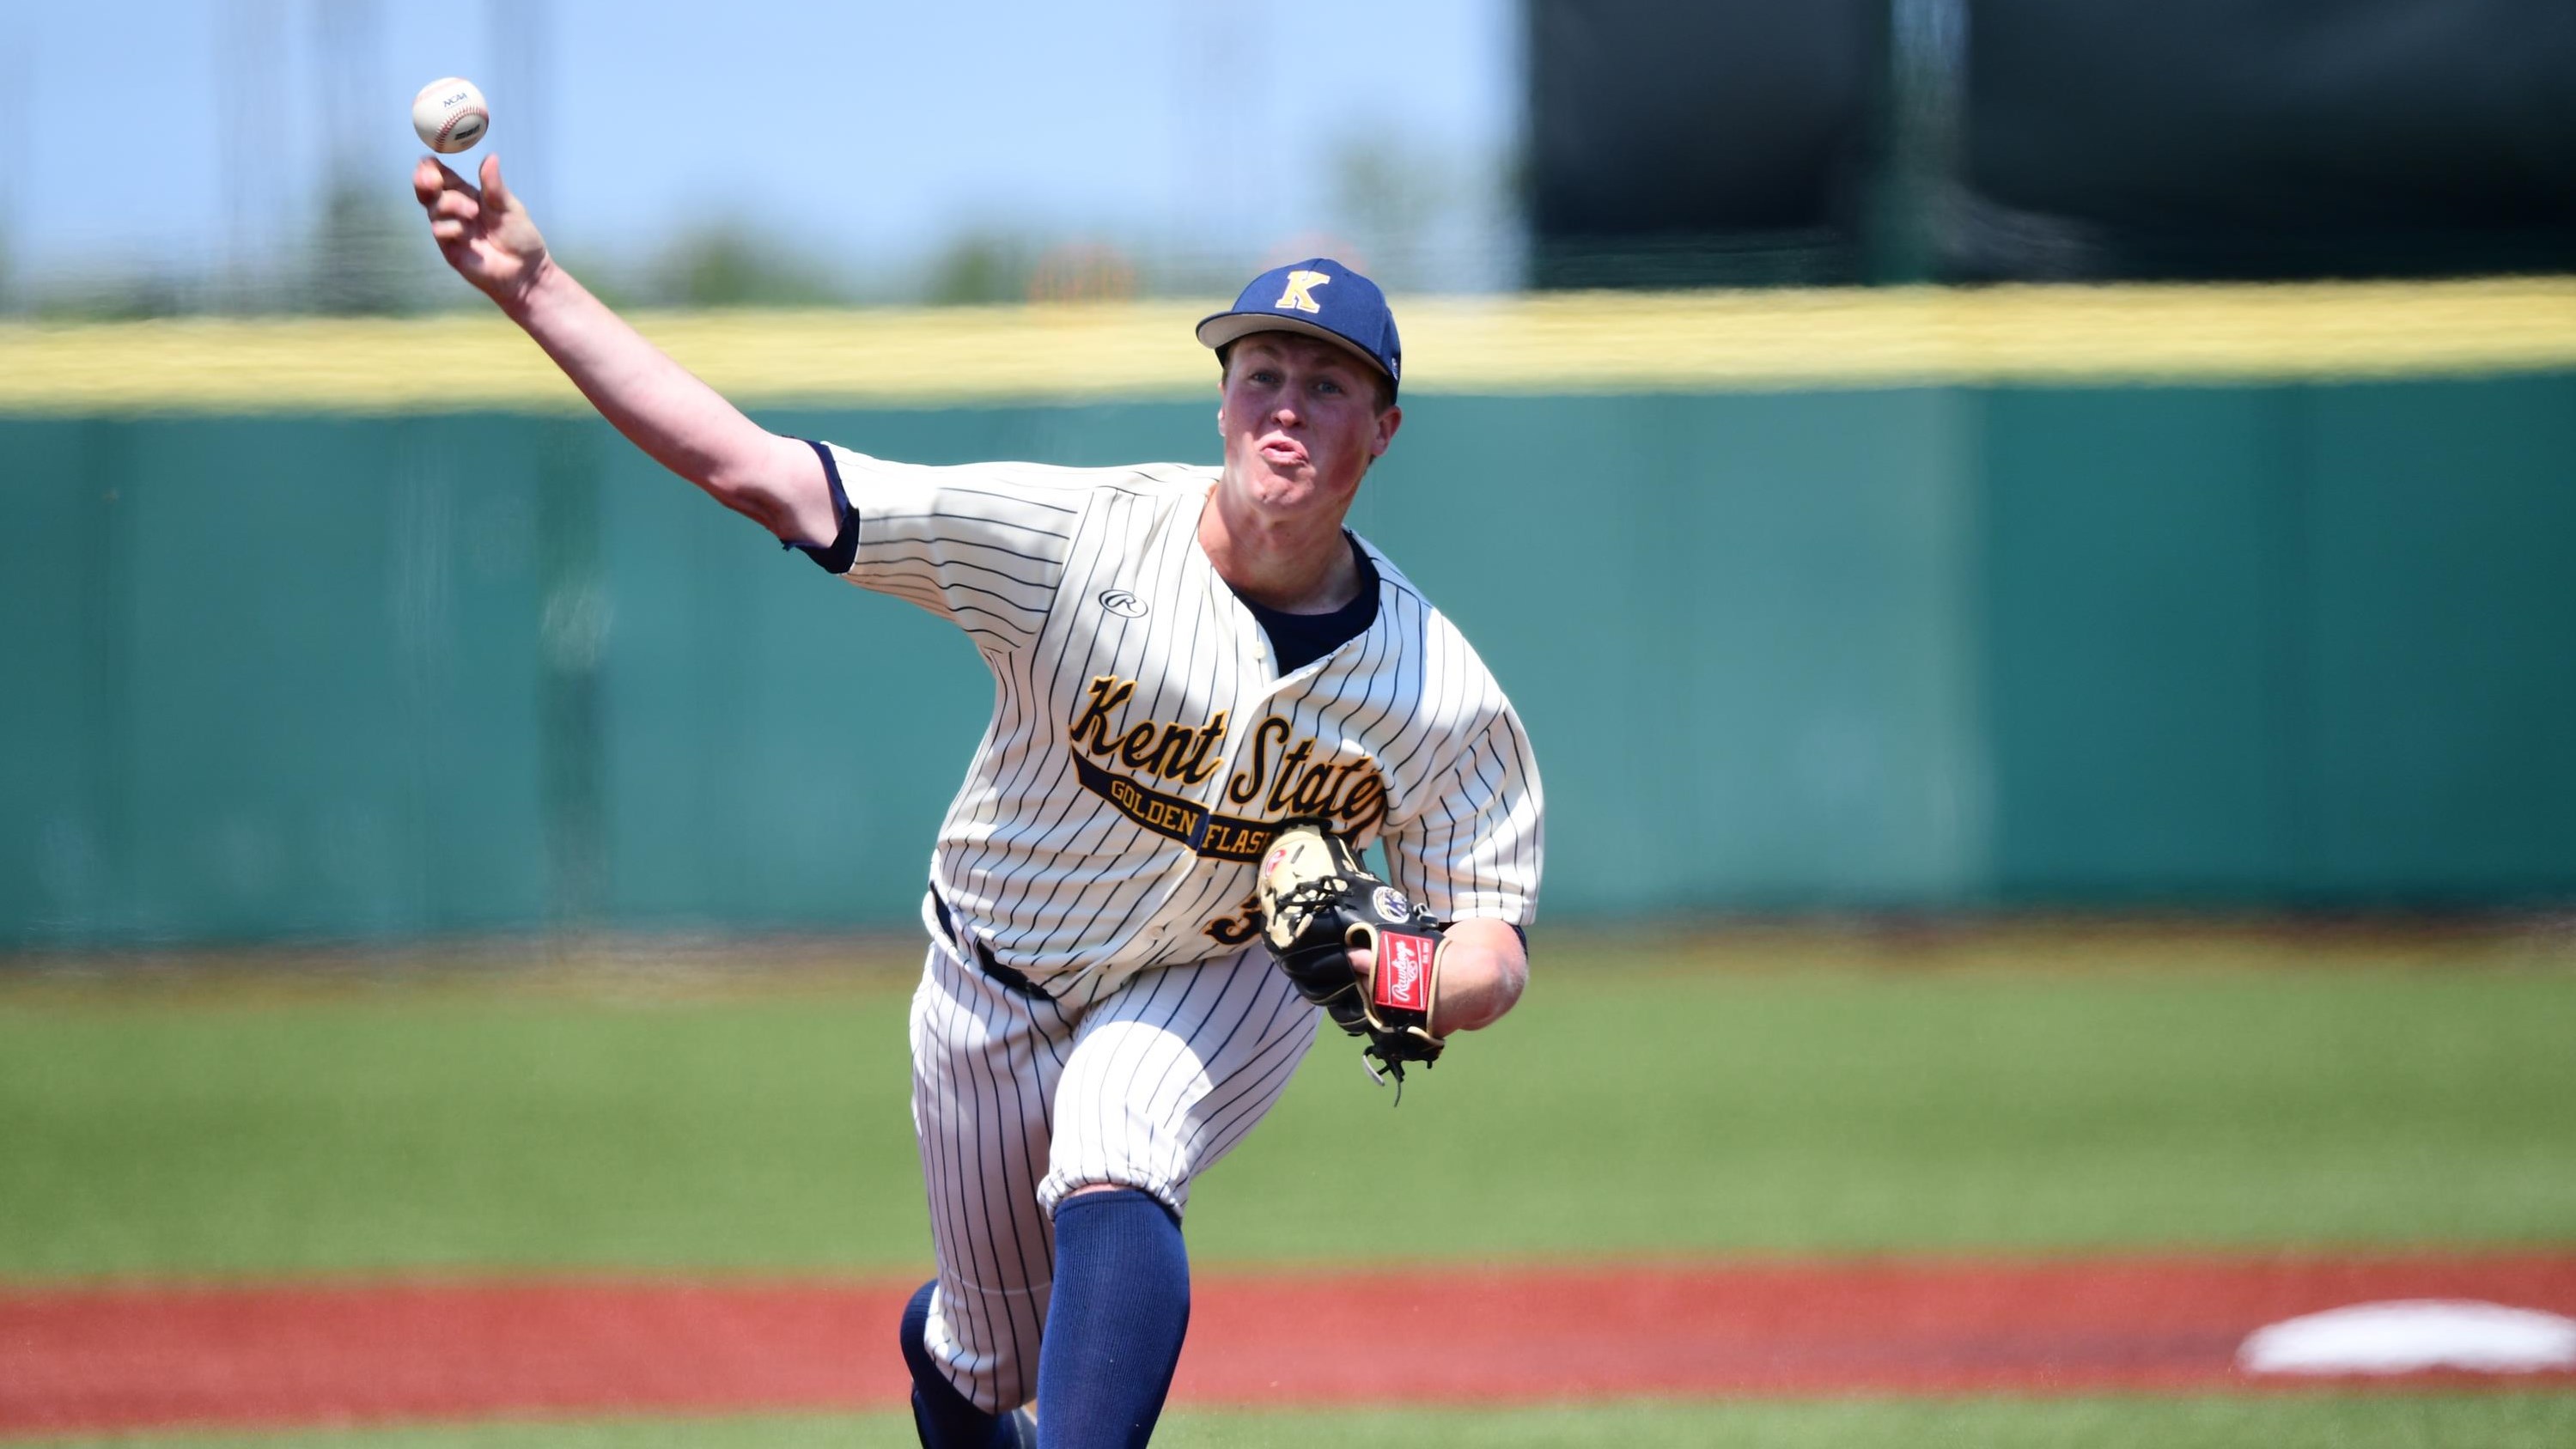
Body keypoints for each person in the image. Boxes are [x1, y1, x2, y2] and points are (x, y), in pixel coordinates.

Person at [414, 153, 1544, 1448]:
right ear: (1223, 401)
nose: (1287, 407)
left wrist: (1397, 974)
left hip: (1219, 972)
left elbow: (1493, 951)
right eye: (1262, 374)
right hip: (998, 973)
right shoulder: (1076, 544)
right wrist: (537, 285)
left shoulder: (1434, 687)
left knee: (1122, 1138)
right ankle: (949, 1349)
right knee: (982, 1361)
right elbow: (767, 477)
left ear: (1381, 427)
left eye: (1328, 383)